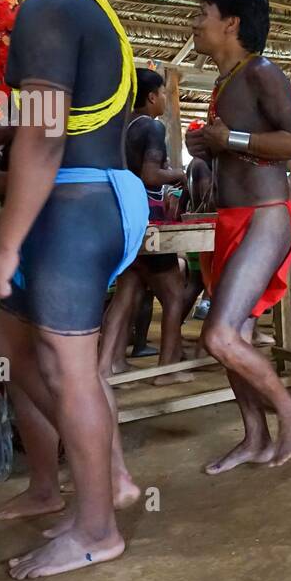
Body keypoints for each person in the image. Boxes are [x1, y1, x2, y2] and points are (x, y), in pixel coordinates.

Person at [0, 0, 150, 578]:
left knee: (70, 371)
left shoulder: (46, 3)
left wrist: (4, 242)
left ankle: (98, 526)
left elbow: (44, 134)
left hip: (77, 202)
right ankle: (101, 482)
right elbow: (47, 121)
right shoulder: (75, 0)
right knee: (19, 348)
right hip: (90, 191)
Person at [181, 0, 291, 472]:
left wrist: (231, 138)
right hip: (233, 218)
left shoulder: (261, 71)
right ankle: (255, 437)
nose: (195, 22)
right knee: (235, 334)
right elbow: (241, 143)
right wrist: (211, 146)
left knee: (218, 336)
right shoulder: (225, 79)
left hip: (264, 217)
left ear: (231, 23)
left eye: (203, 13)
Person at [98, 67, 193, 385]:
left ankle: (108, 364)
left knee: (127, 292)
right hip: (148, 216)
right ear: (152, 96)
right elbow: (150, 175)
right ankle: (168, 369)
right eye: (164, 93)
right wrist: (178, 174)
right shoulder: (152, 128)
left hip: (123, 216)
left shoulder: (121, 127)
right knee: (174, 295)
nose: (165, 99)